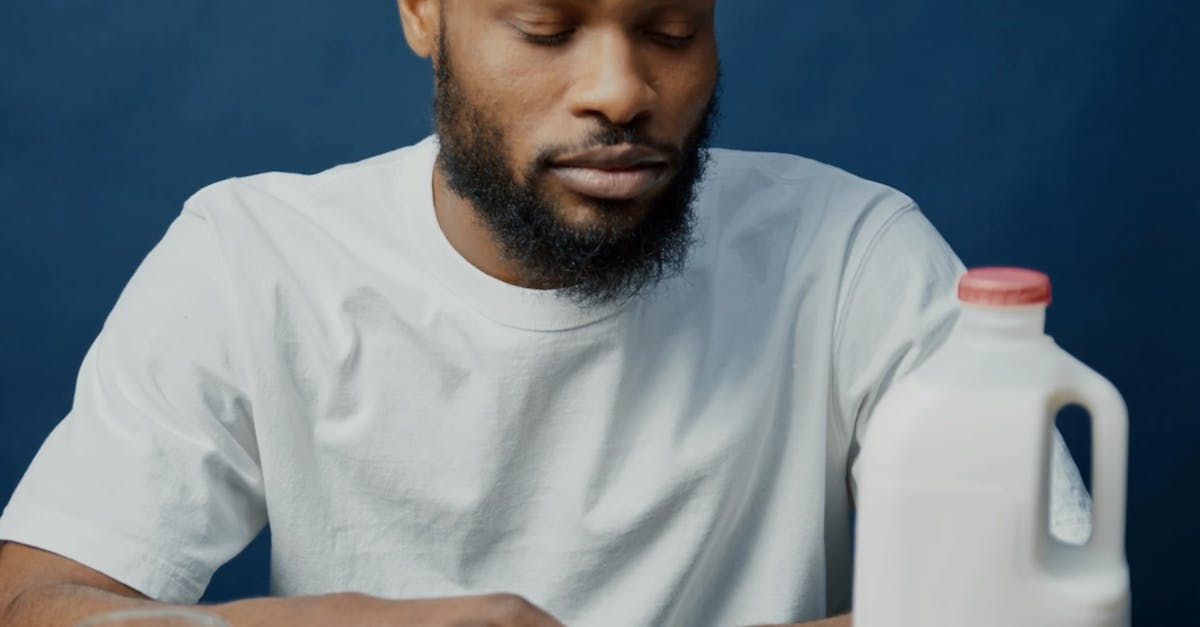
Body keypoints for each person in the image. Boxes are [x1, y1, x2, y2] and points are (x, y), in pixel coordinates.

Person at [0, 1, 1094, 625]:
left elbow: (1049, 602)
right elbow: (41, 598)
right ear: (424, 13)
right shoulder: (254, 256)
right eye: (543, 24)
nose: (620, 90)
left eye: (670, 27)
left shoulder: (851, 249)